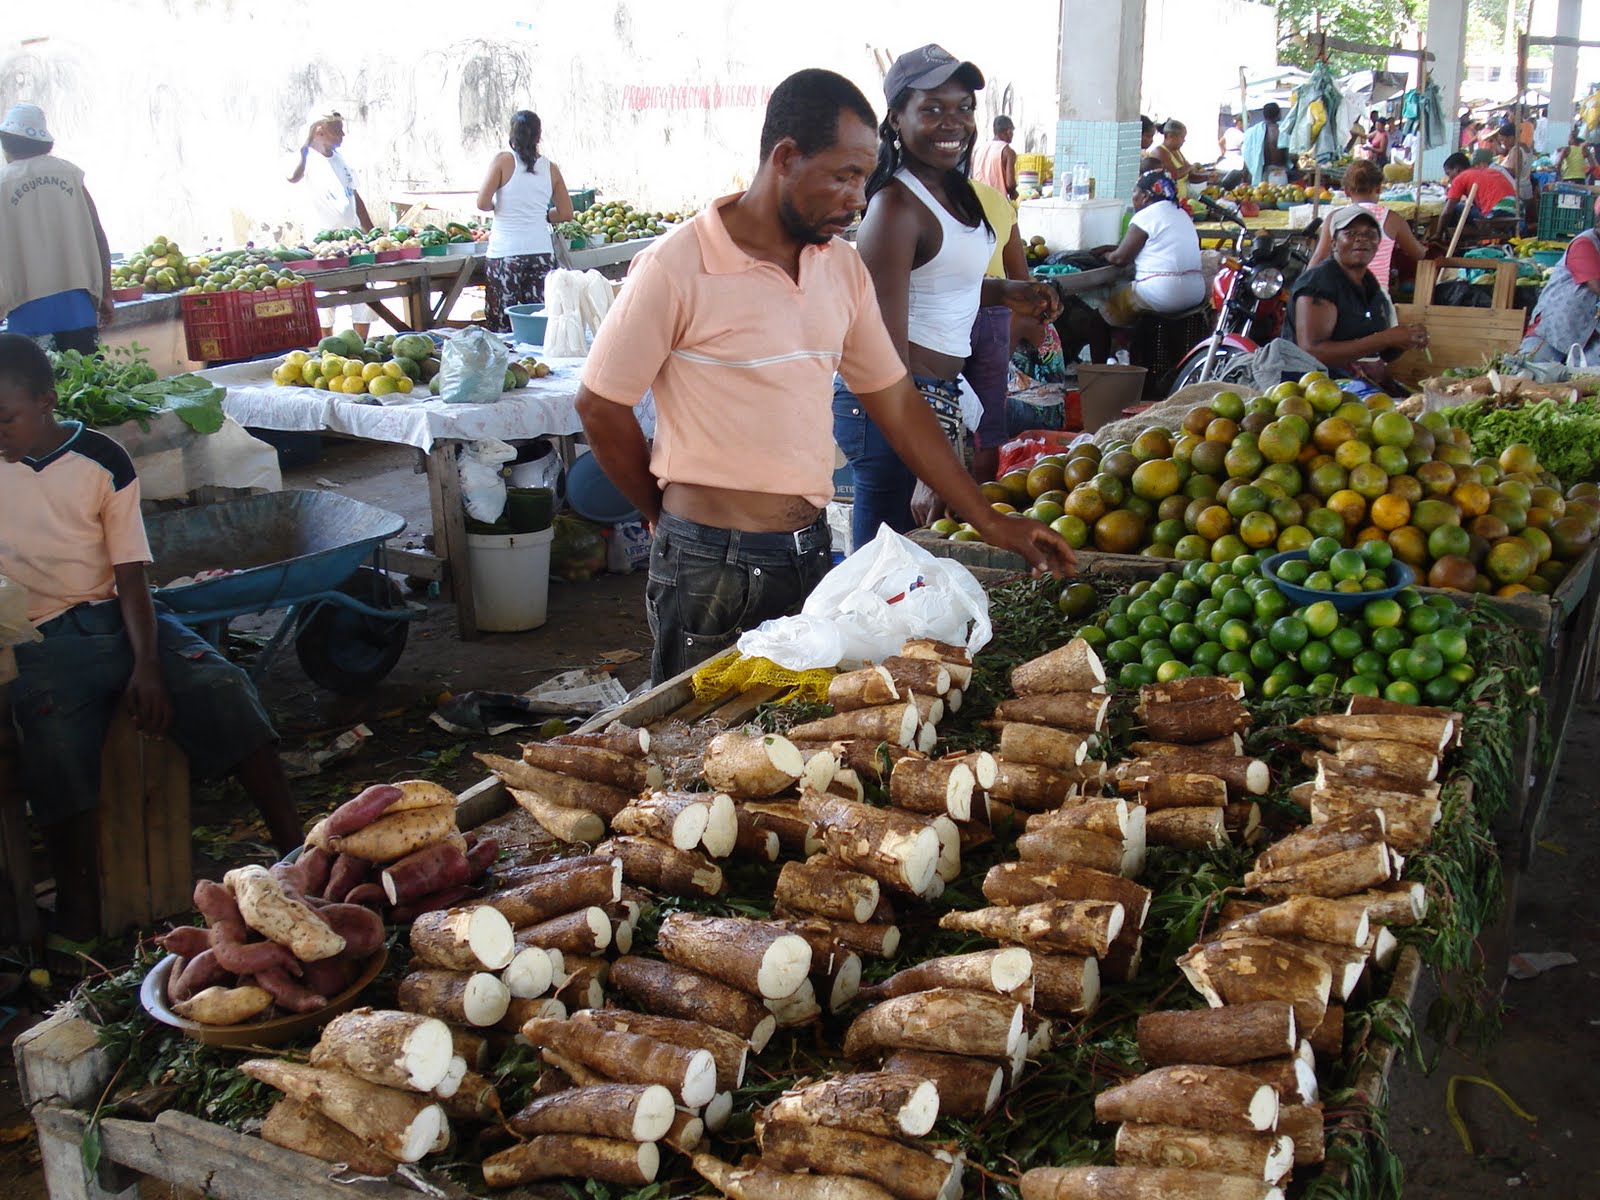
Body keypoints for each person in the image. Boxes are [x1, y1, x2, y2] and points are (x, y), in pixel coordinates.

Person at [573, 68, 1073, 684]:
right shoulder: (676, 265)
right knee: (701, 735)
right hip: (709, 565)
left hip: (808, 551)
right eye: (844, 176)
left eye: (864, 177)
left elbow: (896, 400)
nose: (858, 198)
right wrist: (663, 515)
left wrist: (988, 519)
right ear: (785, 158)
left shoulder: (840, 268)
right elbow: (599, 405)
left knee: (798, 731)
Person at [0, 334, 300, 941]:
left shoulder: (102, 460)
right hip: (37, 636)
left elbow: (131, 575)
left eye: (5, 419)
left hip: (121, 614)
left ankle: (297, 854)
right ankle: (80, 910)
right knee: (52, 741)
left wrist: (148, 667)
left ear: (46, 402)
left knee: (222, 685)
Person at [832, 45, 1062, 544]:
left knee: (910, 561)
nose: (953, 122)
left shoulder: (955, 193)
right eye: (933, 108)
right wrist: (926, 461)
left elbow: (937, 284)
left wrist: (1007, 290)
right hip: (893, 406)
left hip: (934, 397)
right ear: (896, 118)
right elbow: (882, 351)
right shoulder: (895, 208)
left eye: (963, 107)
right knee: (882, 563)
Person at [0, 103, 113, 354]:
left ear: (6, 144)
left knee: (37, 378)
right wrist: (107, 293)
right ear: (45, 144)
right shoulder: (70, 175)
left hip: (26, 311)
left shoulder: (3, 184)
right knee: (85, 377)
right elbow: (98, 235)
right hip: (78, 308)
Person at [1285, 207, 1427, 391]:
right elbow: (1312, 351)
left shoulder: (1369, 283)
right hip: (1315, 388)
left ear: (1378, 243)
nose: (1362, 239)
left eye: (1370, 234)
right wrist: (1386, 338)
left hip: (1359, 384)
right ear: (1334, 243)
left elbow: (1381, 353)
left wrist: (1406, 339)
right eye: (1350, 233)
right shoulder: (1318, 285)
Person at [476, 111, 575, 333]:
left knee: (501, 326)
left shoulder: (503, 161)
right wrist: (541, 214)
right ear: (538, 136)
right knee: (540, 323)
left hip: (505, 255)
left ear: (512, 134)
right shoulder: (550, 168)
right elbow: (566, 213)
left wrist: (500, 207)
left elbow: (482, 203)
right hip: (541, 253)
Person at [967, 176, 1033, 483]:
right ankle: (985, 499)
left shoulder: (916, 193)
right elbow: (1021, 280)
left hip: (945, 312)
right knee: (988, 425)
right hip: (993, 315)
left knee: (933, 418)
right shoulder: (996, 198)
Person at [1087, 170, 1206, 336]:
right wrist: (1112, 247)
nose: (1133, 198)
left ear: (1145, 196)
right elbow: (1154, 247)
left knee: (1099, 318)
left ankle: (1110, 354)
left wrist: (1105, 255)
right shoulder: (1181, 213)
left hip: (1163, 293)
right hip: (1195, 292)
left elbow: (1120, 259)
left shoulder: (1146, 215)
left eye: (1134, 192)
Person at [288, 112, 373, 338]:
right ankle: (326, 345)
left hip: (352, 239)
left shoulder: (341, 159)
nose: (342, 134)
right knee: (325, 295)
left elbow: (355, 196)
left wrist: (371, 231)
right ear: (320, 131)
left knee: (364, 290)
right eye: (337, 129)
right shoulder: (305, 158)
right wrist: (305, 145)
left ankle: (362, 344)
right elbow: (292, 177)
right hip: (322, 243)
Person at [1307, 159, 1426, 293]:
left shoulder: (1334, 218)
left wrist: (1301, 289)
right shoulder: (1392, 219)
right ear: (1379, 188)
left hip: (1342, 297)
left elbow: (1319, 257)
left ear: (1346, 191)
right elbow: (1419, 254)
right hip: (1377, 298)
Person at [1518, 213, 1600, 364]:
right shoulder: (1585, 243)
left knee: (1585, 374)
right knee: (1532, 370)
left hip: (1588, 330)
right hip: (1557, 325)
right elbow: (1596, 285)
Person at [1442, 151, 1517, 224]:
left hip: (1496, 212)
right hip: (1516, 211)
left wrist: (1439, 231)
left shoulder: (1460, 178)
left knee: (1456, 208)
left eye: (1448, 173)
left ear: (1457, 169)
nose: (1448, 178)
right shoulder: (1491, 171)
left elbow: (1447, 212)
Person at [1148, 120, 1207, 187]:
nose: (1184, 140)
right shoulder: (1159, 152)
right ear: (1170, 136)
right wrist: (1190, 166)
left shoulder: (1176, 151)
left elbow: (1189, 175)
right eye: (1182, 137)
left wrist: (1207, 176)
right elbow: (1174, 175)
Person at [1495, 122, 1534, 224]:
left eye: (1503, 139)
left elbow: (1515, 172)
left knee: (1518, 220)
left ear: (1511, 138)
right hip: (1527, 187)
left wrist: (1498, 168)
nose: (1503, 143)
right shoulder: (1527, 148)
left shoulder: (1516, 150)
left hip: (1518, 189)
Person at [972, 115, 1017, 200]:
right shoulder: (1008, 152)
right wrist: (1014, 194)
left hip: (978, 200)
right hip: (997, 201)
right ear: (1008, 131)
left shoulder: (979, 150)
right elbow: (1010, 185)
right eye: (1012, 130)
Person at [1243, 103, 1288, 186]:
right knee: (1281, 194)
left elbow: (1247, 155)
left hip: (1262, 174)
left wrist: (1244, 178)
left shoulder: (1252, 132)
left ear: (1264, 115)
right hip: (1280, 173)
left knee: (1262, 194)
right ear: (1279, 114)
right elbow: (1291, 155)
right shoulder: (1284, 130)